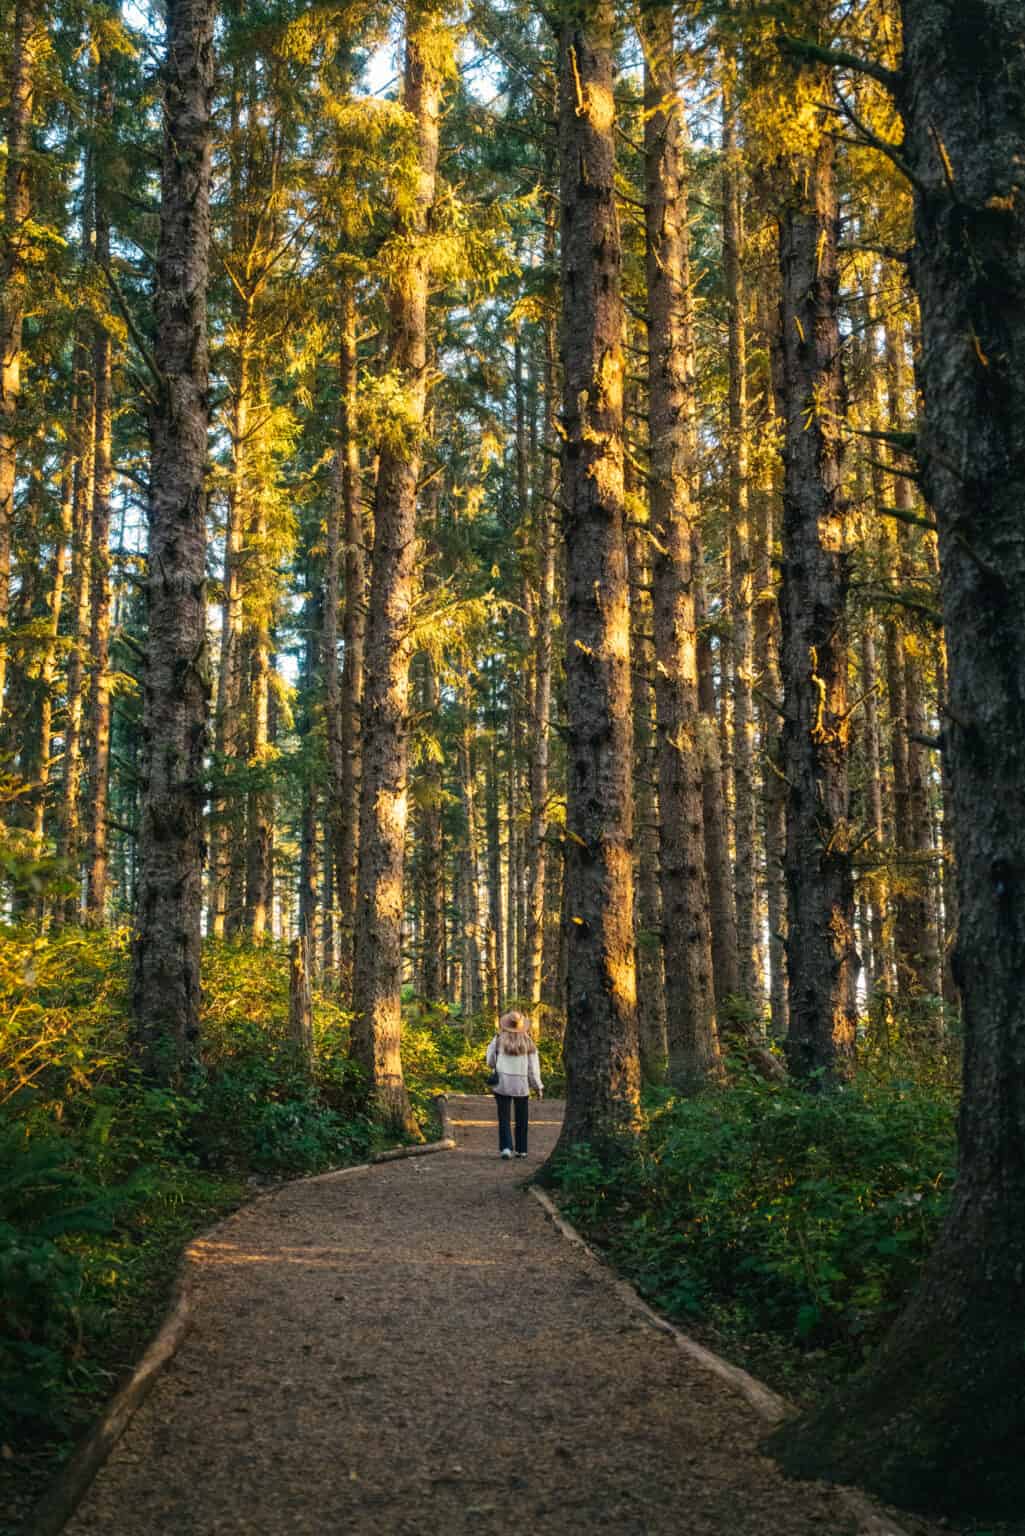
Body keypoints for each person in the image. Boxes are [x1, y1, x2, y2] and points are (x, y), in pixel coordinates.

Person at [485, 1010, 543, 1159]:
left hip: (502, 1082)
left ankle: (506, 1147)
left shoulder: (498, 1039)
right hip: (521, 1084)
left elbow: (490, 1061)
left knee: (503, 1117)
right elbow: (533, 1068)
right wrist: (537, 1086)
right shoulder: (528, 1042)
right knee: (521, 1117)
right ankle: (522, 1149)